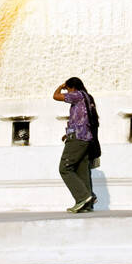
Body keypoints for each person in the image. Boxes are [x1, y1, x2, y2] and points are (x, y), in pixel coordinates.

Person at [53, 77, 100, 212]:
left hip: (77, 138)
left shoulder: (77, 95)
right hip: (86, 138)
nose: (67, 91)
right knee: (82, 170)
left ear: (72, 87)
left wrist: (61, 86)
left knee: (65, 168)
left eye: (68, 89)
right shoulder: (87, 97)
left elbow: (55, 96)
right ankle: (87, 203)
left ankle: (83, 197)